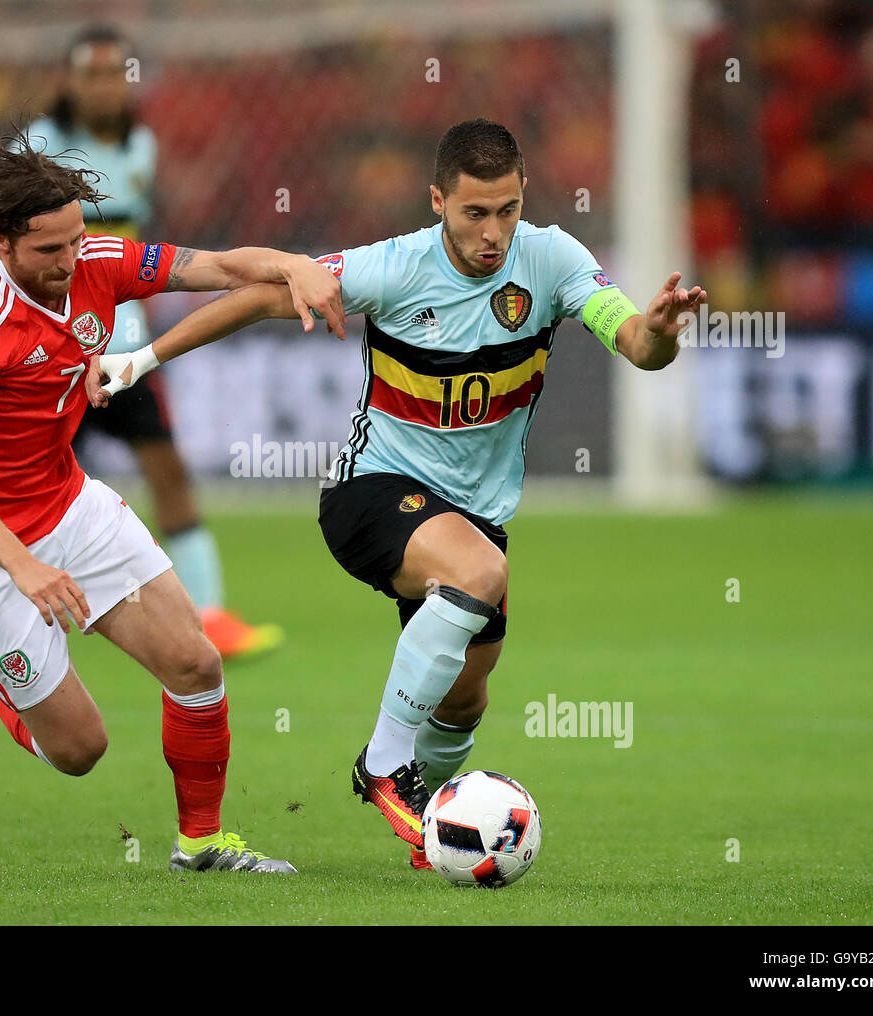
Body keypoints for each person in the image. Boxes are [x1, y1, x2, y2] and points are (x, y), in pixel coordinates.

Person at [90, 117, 706, 869]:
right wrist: (142, 357)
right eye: (474, 213)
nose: (493, 232)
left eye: (507, 210)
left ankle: (436, 837)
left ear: (525, 199)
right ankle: (384, 766)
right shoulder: (393, 267)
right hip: (372, 491)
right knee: (480, 576)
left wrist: (661, 330)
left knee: (463, 704)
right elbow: (259, 295)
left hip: (473, 516)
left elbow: (636, 343)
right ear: (437, 200)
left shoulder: (553, 261)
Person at [0, 124, 343, 873]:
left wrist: (293, 266)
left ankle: (201, 845)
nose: (70, 262)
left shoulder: (96, 260)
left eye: (77, 242)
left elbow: (216, 266)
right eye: (49, 251)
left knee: (196, 663)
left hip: (67, 503)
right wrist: (23, 569)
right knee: (80, 750)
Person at [24, 24, 282, 661]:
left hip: (124, 346)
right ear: (68, 81)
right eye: (92, 74)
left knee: (167, 468)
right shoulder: (35, 147)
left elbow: (129, 249)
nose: (105, 86)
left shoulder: (142, 144)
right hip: (56, 350)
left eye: (116, 73)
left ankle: (212, 616)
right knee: (34, 483)